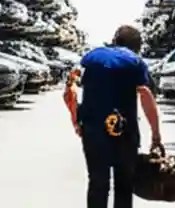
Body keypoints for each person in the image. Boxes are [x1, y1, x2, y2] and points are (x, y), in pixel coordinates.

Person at [64, 24, 162, 208]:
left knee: (97, 183)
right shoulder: (135, 62)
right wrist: (156, 135)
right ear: (137, 46)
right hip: (124, 132)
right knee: (124, 185)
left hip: (92, 130)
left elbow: (71, 89)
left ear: (115, 40)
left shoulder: (91, 57)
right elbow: (145, 95)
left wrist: (76, 119)